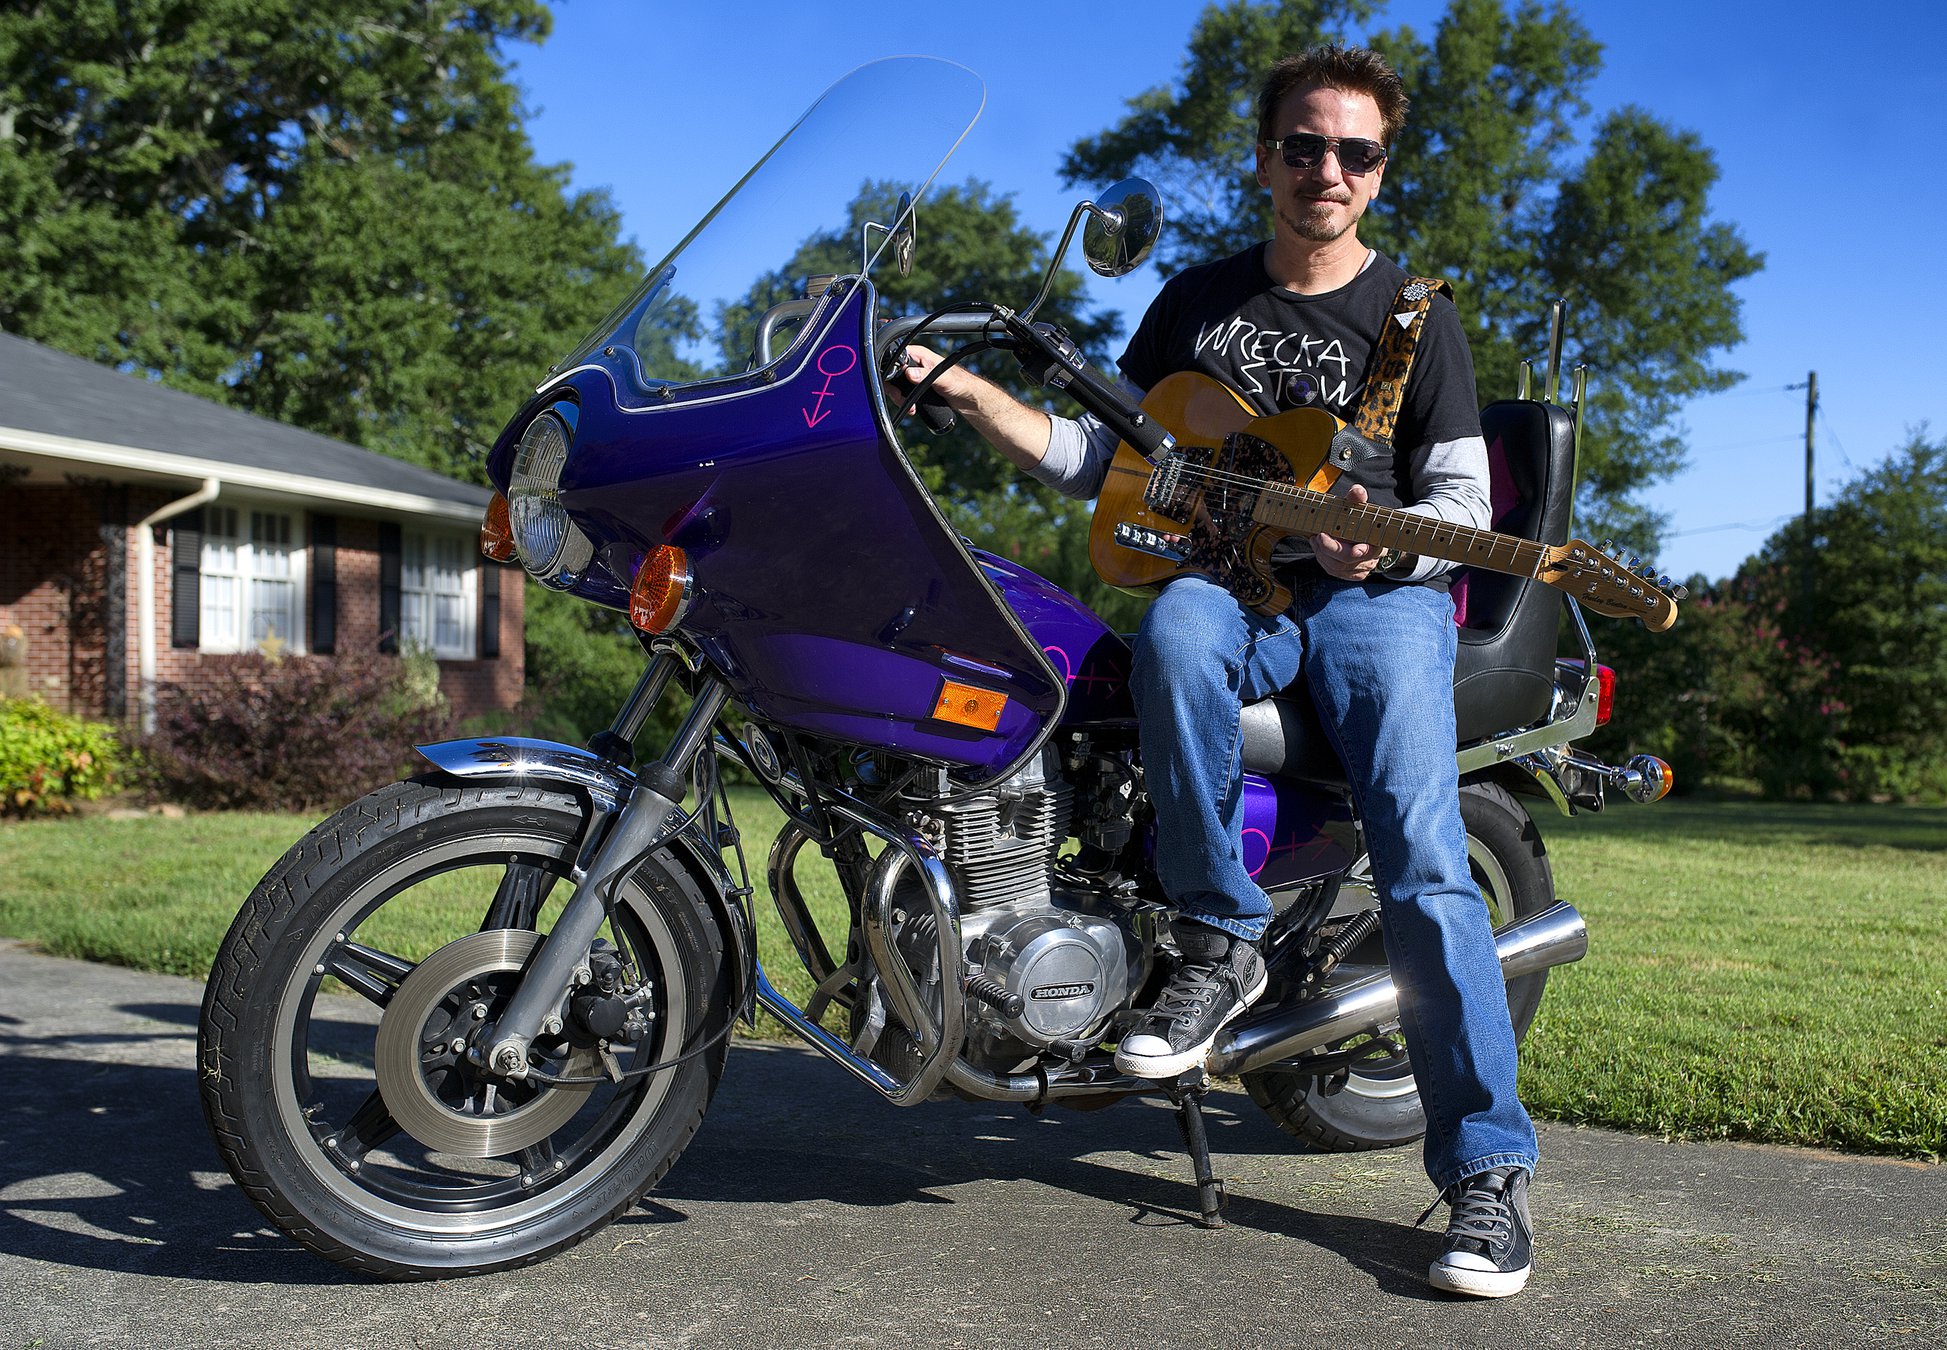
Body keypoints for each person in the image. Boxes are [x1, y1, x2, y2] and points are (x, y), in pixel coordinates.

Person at [900, 45, 1538, 1299]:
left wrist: (1381, 540)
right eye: (1305, 145)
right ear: (1264, 159)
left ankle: (1488, 1173)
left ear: (1380, 171)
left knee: (1418, 846)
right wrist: (973, 393)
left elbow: (1461, 497)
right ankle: (1219, 933)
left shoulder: (1417, 314)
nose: (1328, 172)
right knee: (1178, 632)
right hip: (1238, 590)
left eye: (1355, 153)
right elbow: (1109, 458)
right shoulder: (1200, 300)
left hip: (1375, 605)